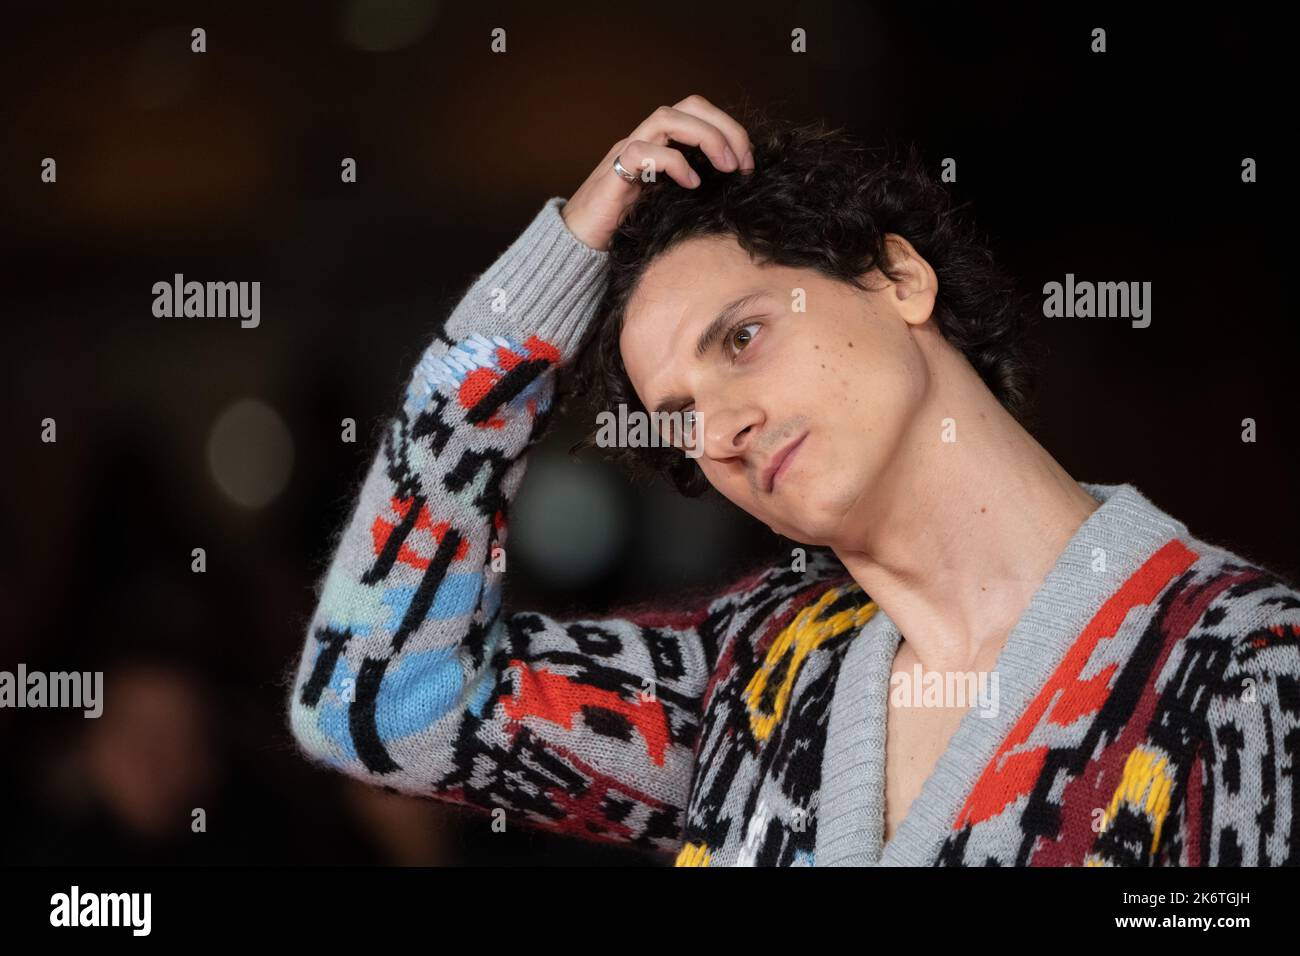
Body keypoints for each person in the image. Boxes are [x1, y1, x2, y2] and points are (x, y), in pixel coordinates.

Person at [285, 95, 1300, 866]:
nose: (718, 429)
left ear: (898, 277)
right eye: (677, 415)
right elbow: (377, 700)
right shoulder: (755, 673)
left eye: (742, 336)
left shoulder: (1242, 670)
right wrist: (545, 280)